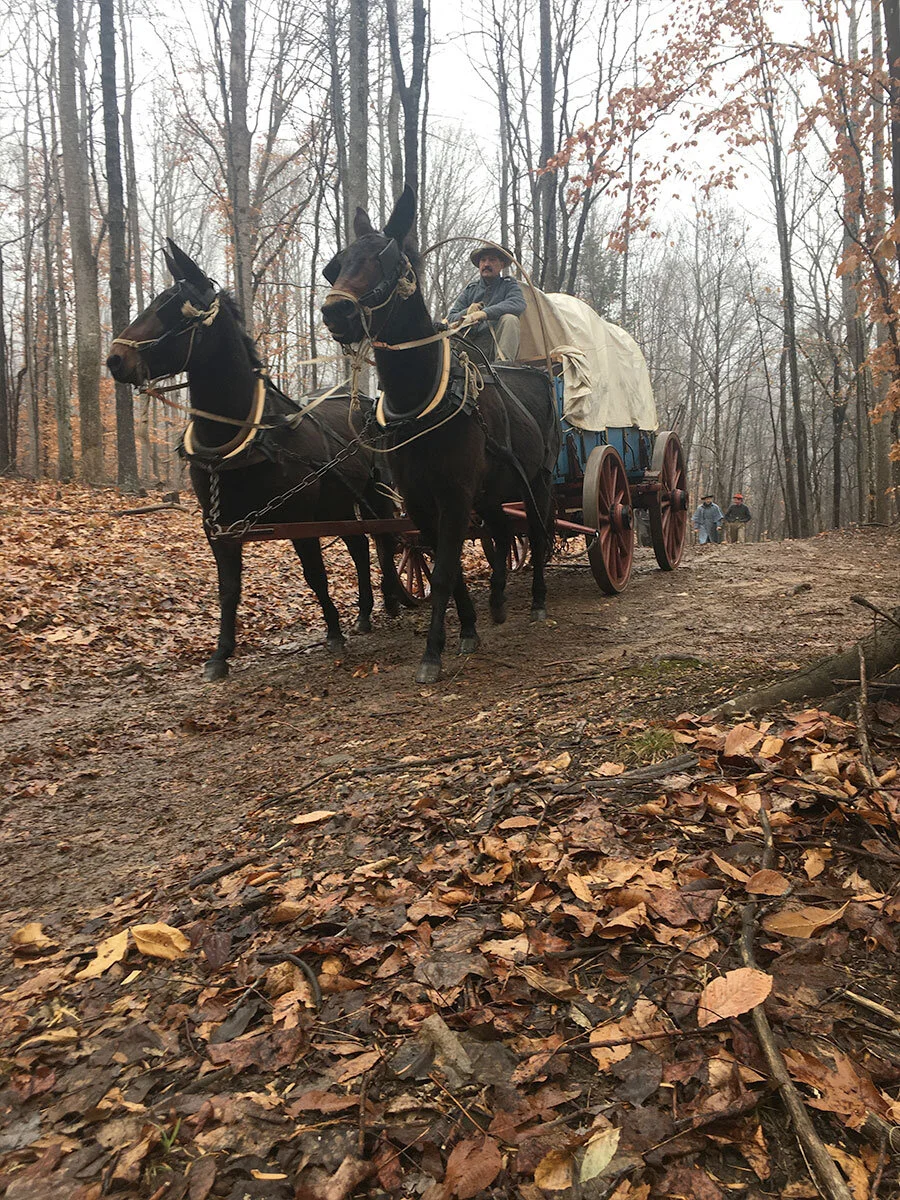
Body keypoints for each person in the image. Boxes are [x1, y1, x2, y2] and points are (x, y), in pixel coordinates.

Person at [447, 244, 525, 361]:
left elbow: (517, 303)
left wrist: (484, 313)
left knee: (510, 319)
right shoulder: (471, 289)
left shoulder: (508, 285)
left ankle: (503, 365)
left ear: (501, 265)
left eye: (492, 260)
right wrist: (467, 312)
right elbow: (451, 318)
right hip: (470, 351)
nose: (486, 264)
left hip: (496, 347)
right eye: (483, 260)